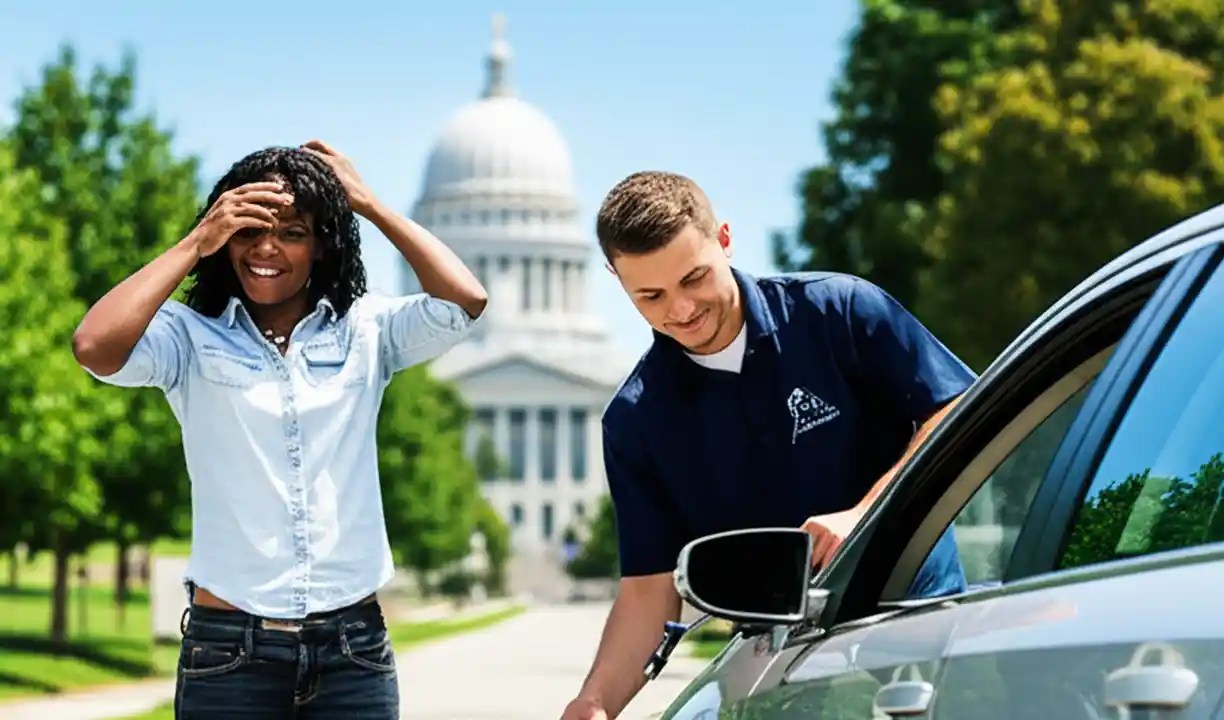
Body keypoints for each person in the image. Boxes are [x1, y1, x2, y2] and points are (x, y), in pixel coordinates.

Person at [72, 141, 487, 719]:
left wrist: (367, 204)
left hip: (353, 650)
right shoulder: (190, 339)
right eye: (248, 230)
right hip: (228, 652)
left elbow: (464, 301)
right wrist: (195, 242)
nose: (266, 248)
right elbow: (94, 346)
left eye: (292, 231)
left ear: (322, 246)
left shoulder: (367, 330)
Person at [560, 171, 972, 720]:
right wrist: (593, 704)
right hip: (778, 676)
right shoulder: (635, 421)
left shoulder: (840, 312)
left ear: (724, 239)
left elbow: (959, 410)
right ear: (616, 279)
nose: (681, 309)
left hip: (917, 639)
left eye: (695, 278)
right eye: (650, 296)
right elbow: (649, 592)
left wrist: (864, 515)